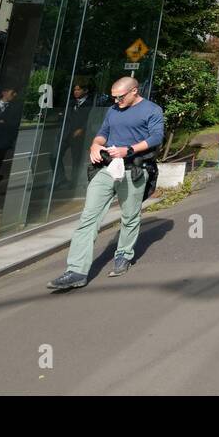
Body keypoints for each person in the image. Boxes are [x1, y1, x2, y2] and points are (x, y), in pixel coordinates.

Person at [46, 76, 164, 290]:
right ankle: (76, 271)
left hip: (134, 169)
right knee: (88, 218)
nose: (117, 101)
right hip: (108, 169)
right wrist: (95, 146)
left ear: (134, 91)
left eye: (120, 97)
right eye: (114, 97)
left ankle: (123, 256)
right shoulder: (113, 110)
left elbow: (156, 137)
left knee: (129, 216)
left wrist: (128, 150)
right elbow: (102, 134)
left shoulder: (152, 110)